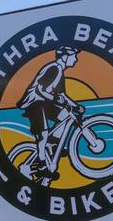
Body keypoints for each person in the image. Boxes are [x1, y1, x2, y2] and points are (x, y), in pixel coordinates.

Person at [19, 45, 83, 184]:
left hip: (44, 102)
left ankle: (53, 145)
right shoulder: (53, 68)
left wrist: (75, 106)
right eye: (74, 56)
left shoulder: (60, 71)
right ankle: (42, 164)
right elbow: (40, 90)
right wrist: (55, 99)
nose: (76, 59)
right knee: (43, 133)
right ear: (65, 56)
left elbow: (62, 95)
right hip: (34, 103)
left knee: (67, 113)